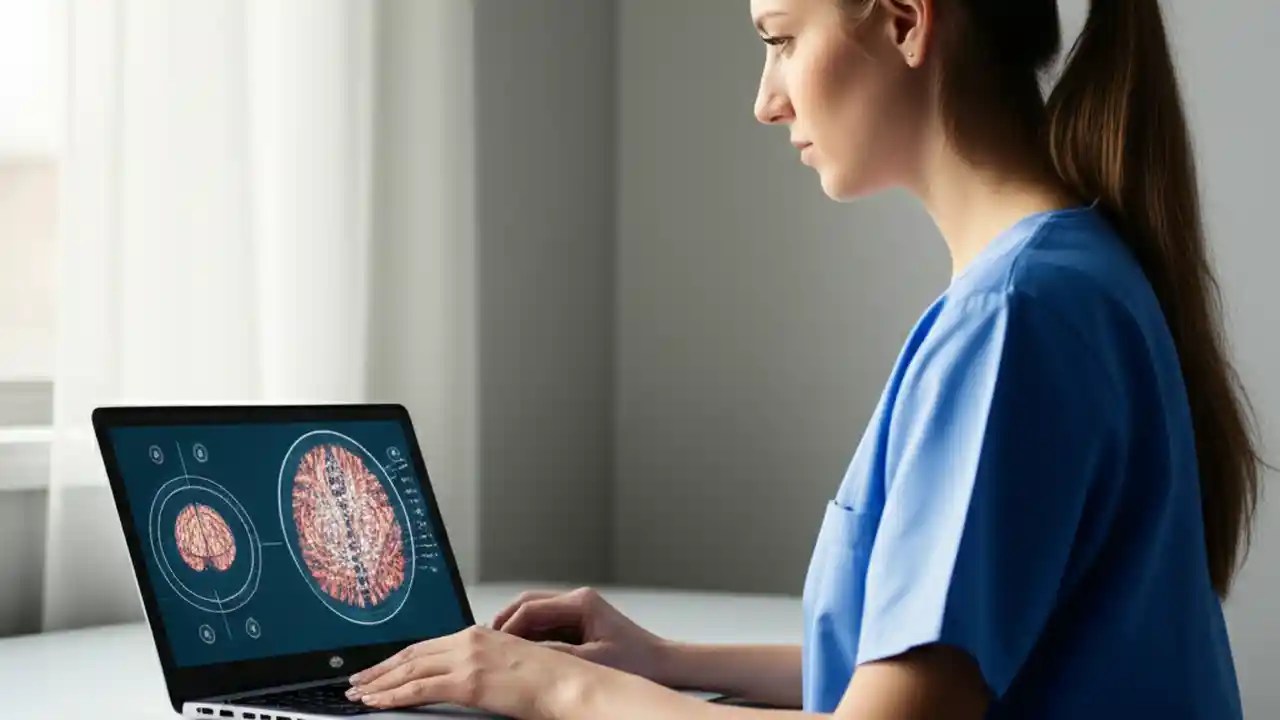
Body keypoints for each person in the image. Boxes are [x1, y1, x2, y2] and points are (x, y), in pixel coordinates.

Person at [343, 0, 1261, 717]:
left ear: (906, 22)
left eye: (780, 39)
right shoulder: (1075, 272)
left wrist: (555, 691)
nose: (765, 97)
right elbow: (925, 672)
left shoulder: (1014, 317)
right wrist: (663, 662)